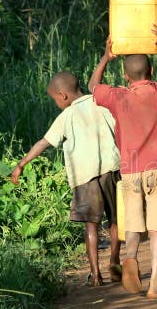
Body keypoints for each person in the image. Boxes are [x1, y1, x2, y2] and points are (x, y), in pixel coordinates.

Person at [88, 23, 157, 299]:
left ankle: (131, 257)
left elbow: (92, 87)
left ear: (125, 75)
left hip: (130, 172)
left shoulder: (118, 96)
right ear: (152, 71)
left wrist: (106, 57)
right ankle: (155, 283)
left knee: (133, 224)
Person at [11, 71, 122, 287]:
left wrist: (21, 164)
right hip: (111, 169)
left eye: (55, 99)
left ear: (62, 96)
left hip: (85, 176)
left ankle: (95, 275)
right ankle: (114, 263)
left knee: (91, 225)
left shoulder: (67, 116)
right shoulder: (102, 103)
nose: (57, 103)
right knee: (115, 220)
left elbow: (44, 143)